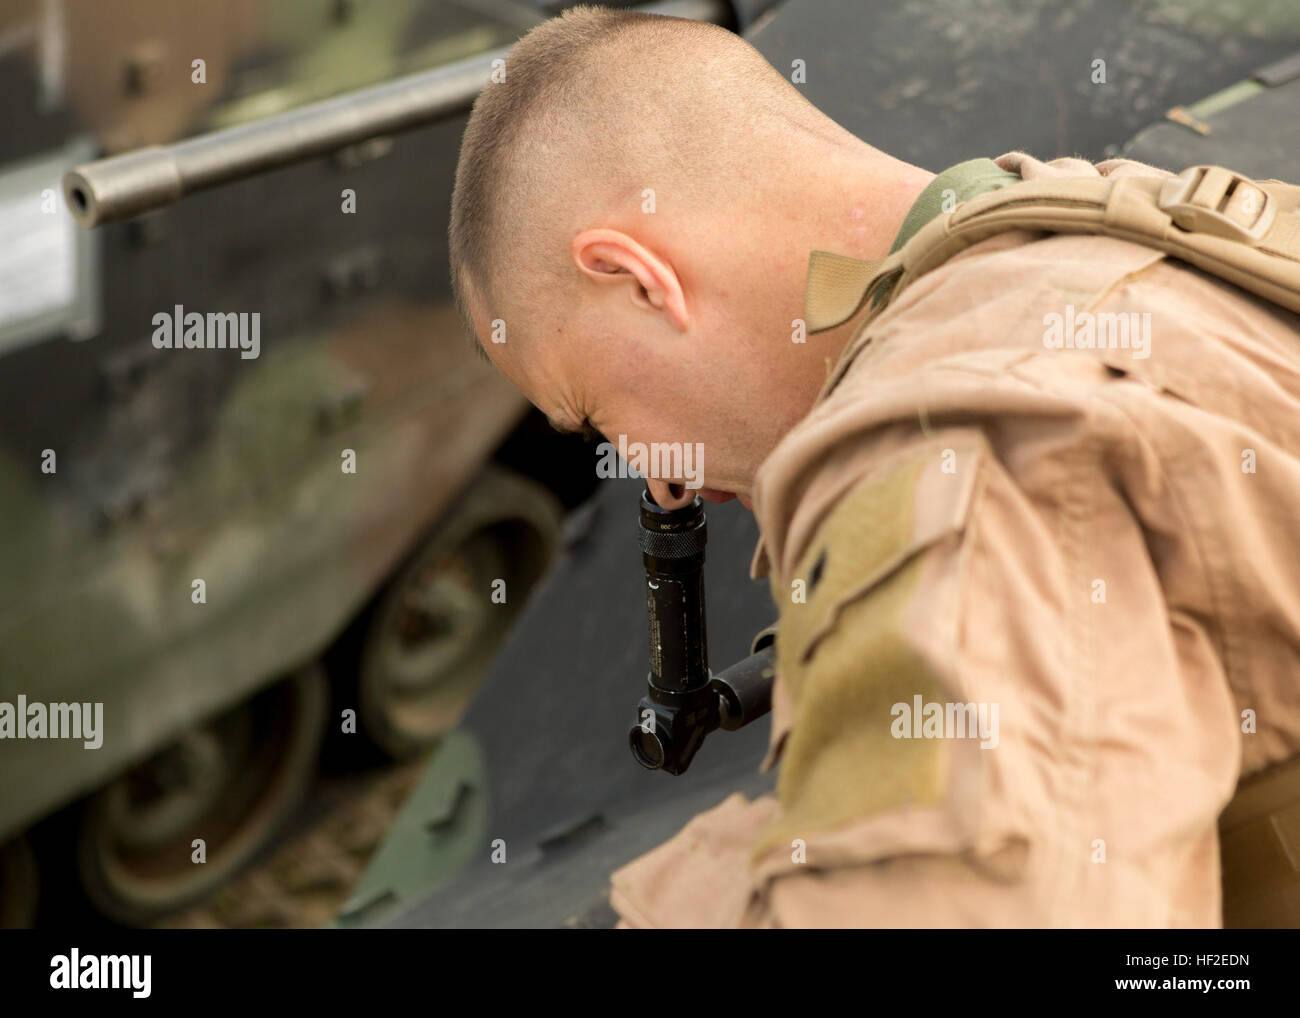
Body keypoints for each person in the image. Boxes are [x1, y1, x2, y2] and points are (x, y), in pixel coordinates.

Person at [448, 6, 1300, 927]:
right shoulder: (1150, 233)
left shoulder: (957, 446)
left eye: (595, 416)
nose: (660, 483)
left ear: (638, 277)